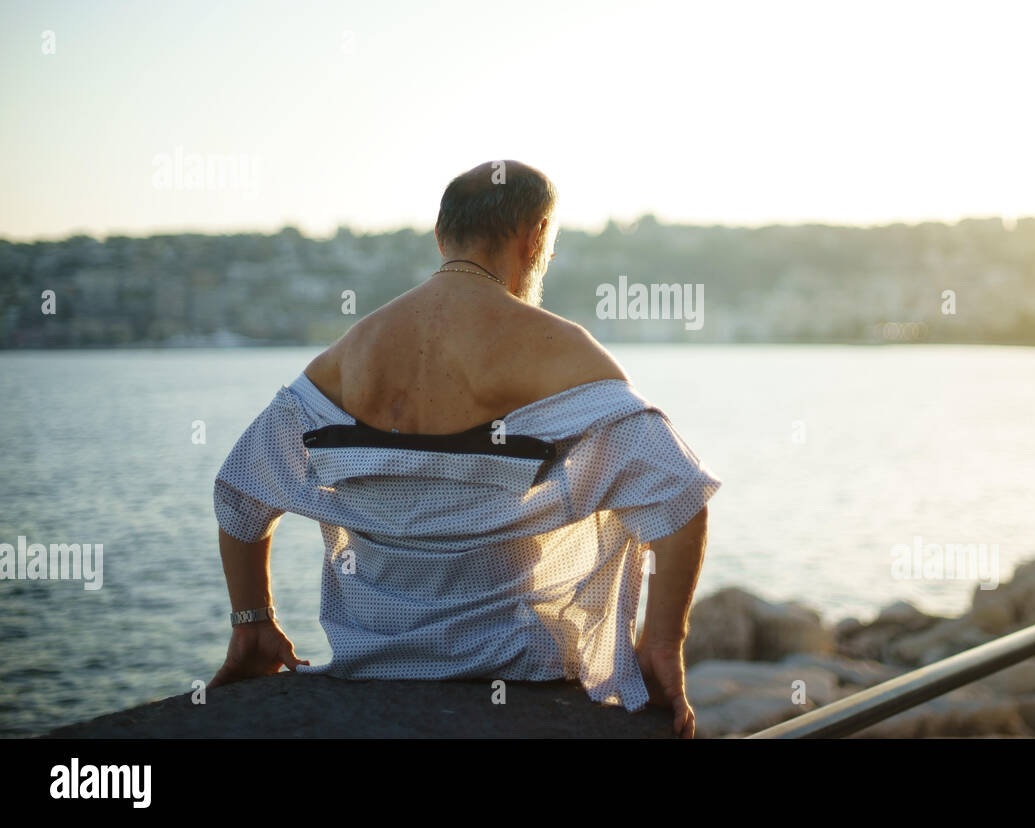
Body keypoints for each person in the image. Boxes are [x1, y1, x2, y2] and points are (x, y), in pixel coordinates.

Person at [209, 160, 719, 738]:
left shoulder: (353, 349)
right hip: (527, 670)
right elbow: (678, 493)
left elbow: (242, 486)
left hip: (373, 671)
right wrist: (661, 644)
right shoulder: (557, 349)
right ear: (535, 236)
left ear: (441, 235)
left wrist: (253, 620)